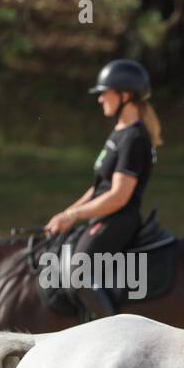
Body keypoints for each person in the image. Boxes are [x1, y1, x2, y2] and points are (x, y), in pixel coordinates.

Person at [46, 59, 160, 319]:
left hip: (118, 219)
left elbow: (118, 196)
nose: (100, 99)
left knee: (78, 270)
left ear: (125, 95)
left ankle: (107, 331)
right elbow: (98, 188)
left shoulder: (134, 138)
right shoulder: (120, 133)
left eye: (104, 93)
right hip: (102, 215)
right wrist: (66, 213)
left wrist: (74, 216)